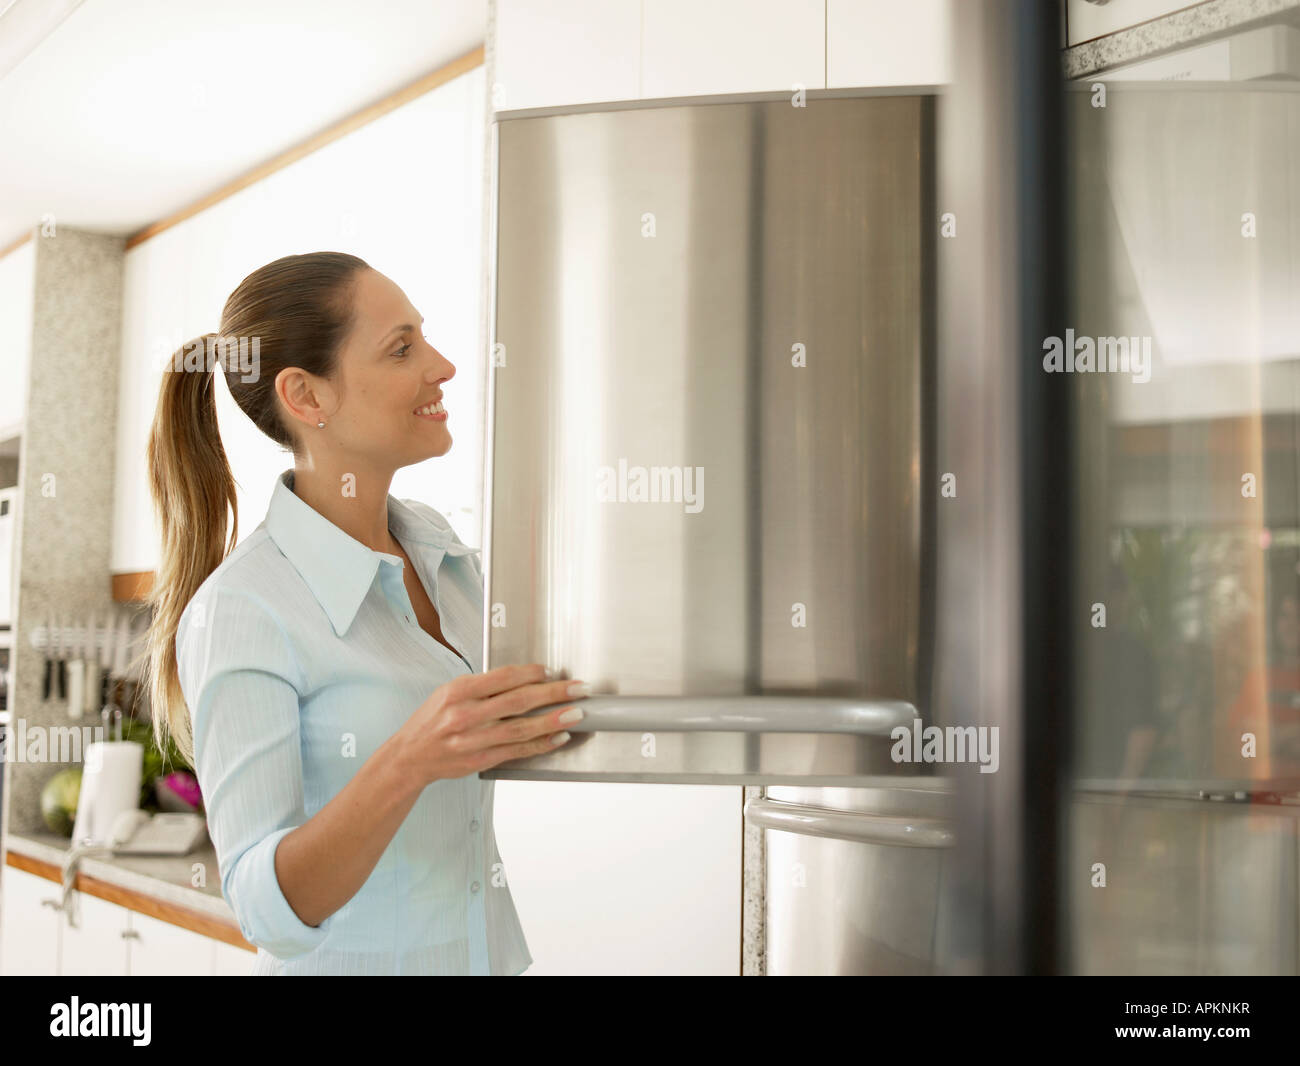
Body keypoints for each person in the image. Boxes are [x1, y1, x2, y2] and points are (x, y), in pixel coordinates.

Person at [140, 251, 588, 975]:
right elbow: (261, 907)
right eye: (401, 348)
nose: (441, 366)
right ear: (306, 397)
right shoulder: (245, 609)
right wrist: (407, 761)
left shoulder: (445, 555)